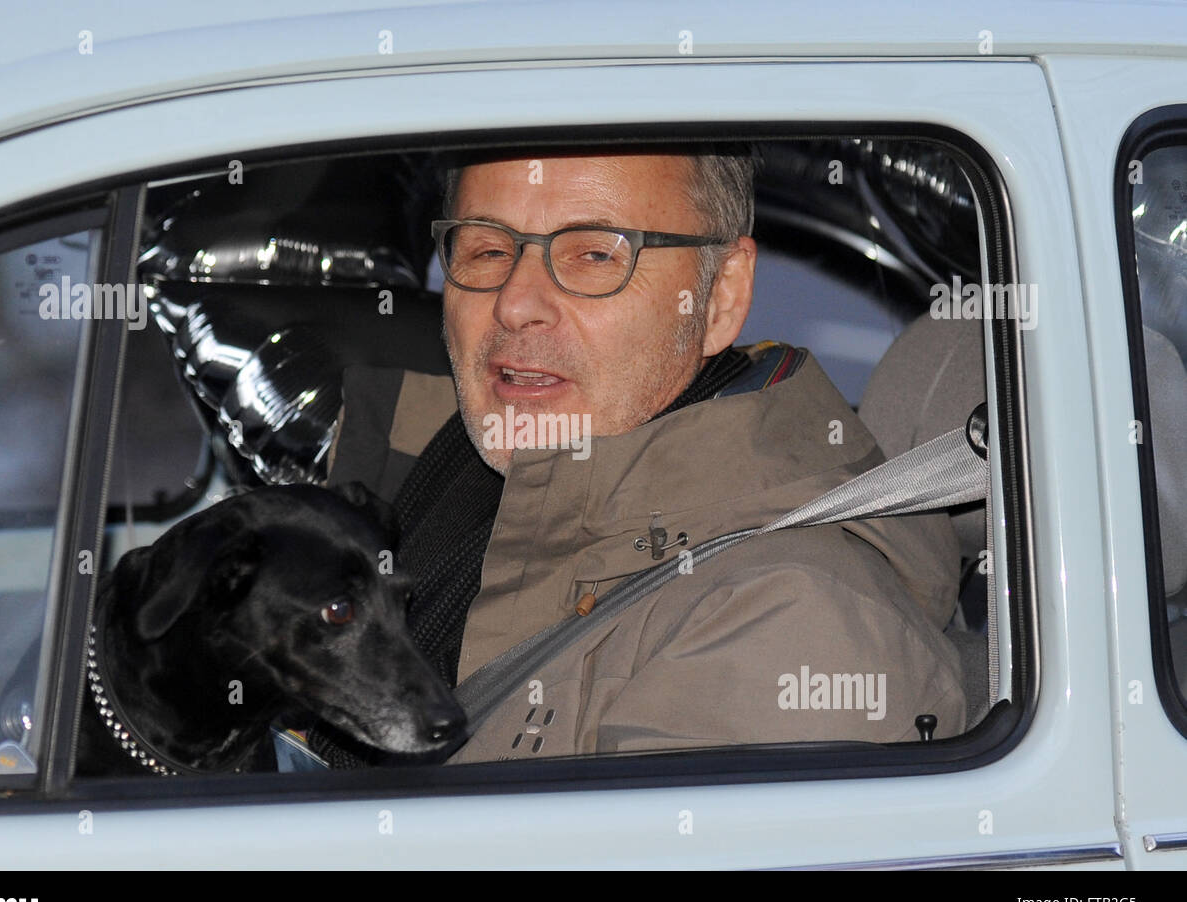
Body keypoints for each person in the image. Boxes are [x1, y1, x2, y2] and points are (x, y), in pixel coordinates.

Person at [318, 143, 966, 765]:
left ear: (721, 296)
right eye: (487, 248)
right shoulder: (428, 482)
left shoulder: (790, 627)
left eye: (595, 255)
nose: (516, 303)